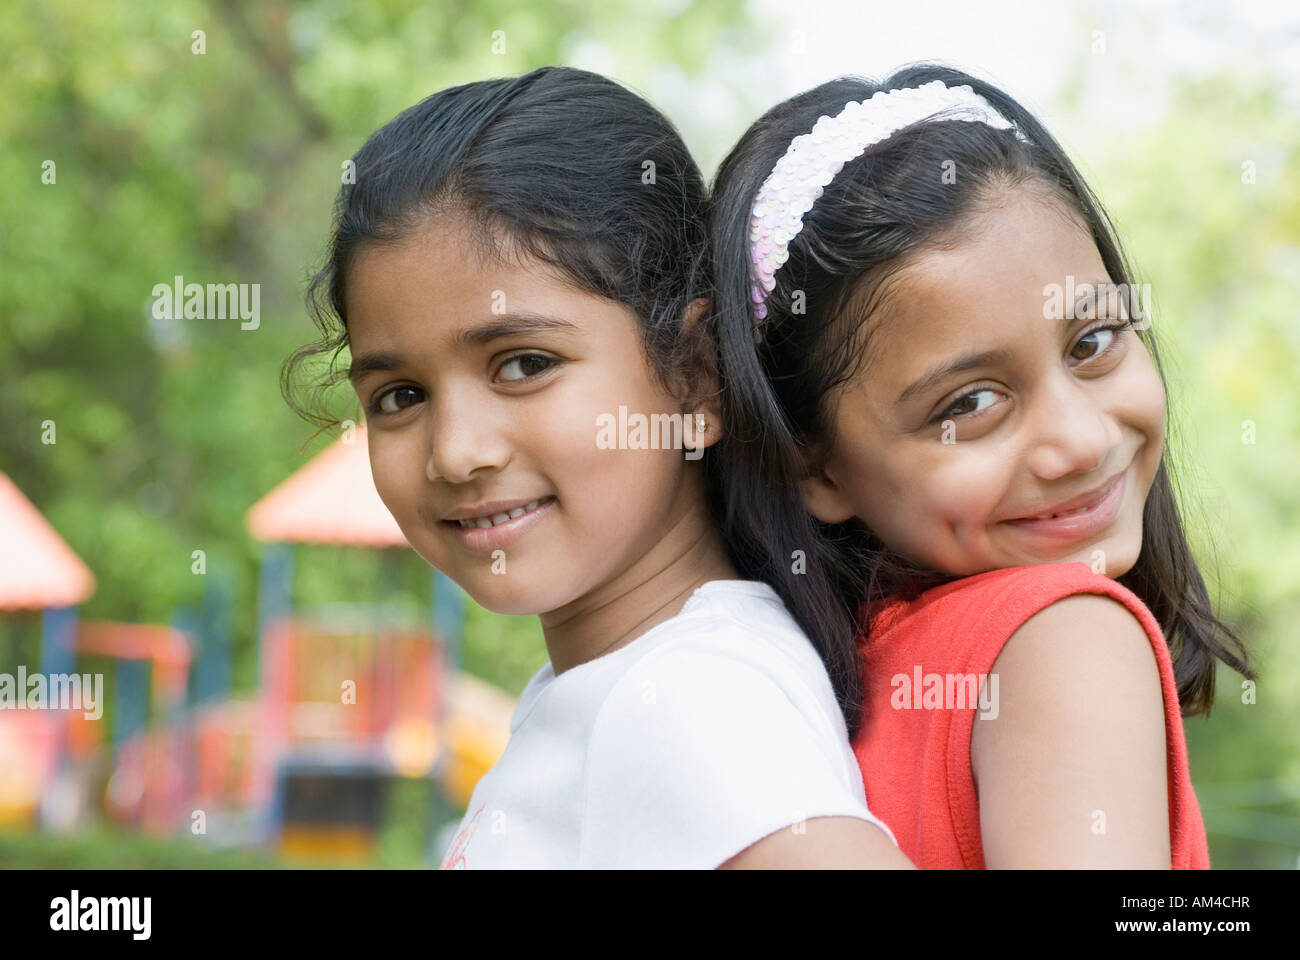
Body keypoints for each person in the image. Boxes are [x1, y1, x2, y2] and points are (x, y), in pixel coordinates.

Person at [283, 66, 910, 869]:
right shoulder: (614, 688)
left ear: (694, 374)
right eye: (399, 395)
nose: (456, 450)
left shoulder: (687, 698)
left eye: (523, 364)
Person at [706, 63, 1253, 868]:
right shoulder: (1067, 640)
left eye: (1093, 342)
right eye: (967, 405)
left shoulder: (791, 700)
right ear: (811, 468)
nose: (1077, 442)